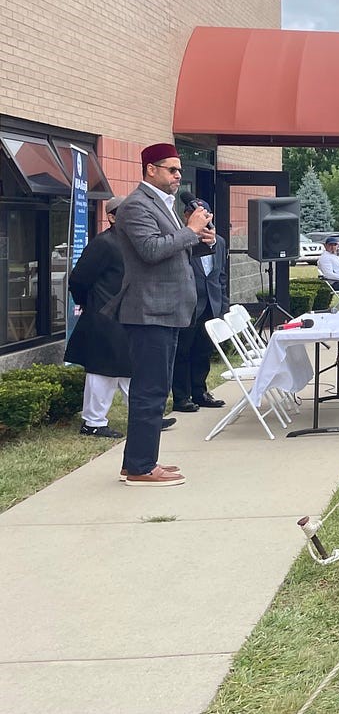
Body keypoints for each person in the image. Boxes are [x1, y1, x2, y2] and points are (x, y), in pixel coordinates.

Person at [110, 143, 214, 487]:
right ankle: (140, 466)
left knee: (157, 389)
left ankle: (142, 461)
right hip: (148, 310)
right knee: (150, 390)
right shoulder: (135, 206)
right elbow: (152, 250)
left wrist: (201, 240)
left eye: (179, 170)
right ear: (150, 169)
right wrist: (190, 229)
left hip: (168, 310)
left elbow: (174, 246)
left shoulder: (164, 205)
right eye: (171, 169)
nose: (178, 175)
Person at [64, 197, 130, 438]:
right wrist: (87, 303)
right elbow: (79, 279)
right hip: (104, 315)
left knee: (129, 367)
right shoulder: (104, 243)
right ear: (111, 217)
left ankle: (142, 416)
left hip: (127, 315)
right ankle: (93, 422)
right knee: (102, 370)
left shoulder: (132, 241)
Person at [170, 198, 228, 413]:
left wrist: (223, 306)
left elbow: (220, 276)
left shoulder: (218, 242)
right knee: (183, 352)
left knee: (203, 352)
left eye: (207, 216)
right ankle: (181, 397)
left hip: (210, 304)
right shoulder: (181, 241)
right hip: (188, 305)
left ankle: (200, 391)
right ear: (187, 217)